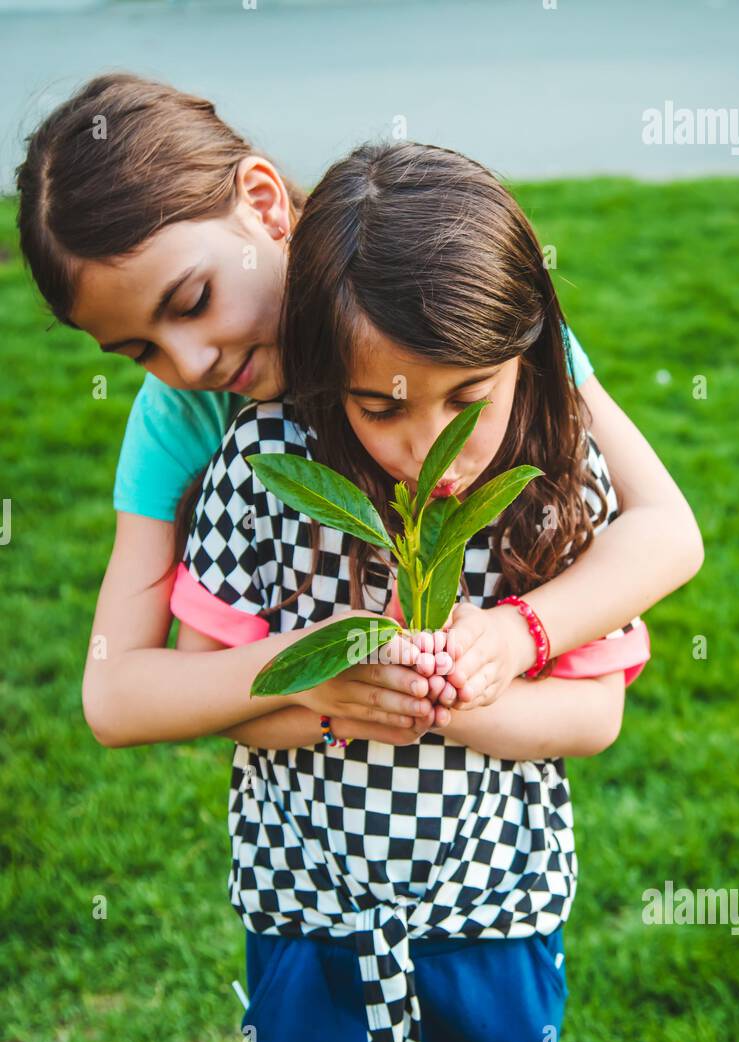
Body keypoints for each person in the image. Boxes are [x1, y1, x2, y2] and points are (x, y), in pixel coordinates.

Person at [168, 138, 700, 1042]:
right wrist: (317, 680)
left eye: (468, 399)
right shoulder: (263, 475)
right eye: (380, 406)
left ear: (525, 359)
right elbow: (224, 702)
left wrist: (472, 693)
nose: (429, 448)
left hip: (497, 924)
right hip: (319, 930)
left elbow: (592, 719)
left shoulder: (547, 480)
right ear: (318, 372)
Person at [15, 72, 703, 757]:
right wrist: (311, 675)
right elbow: (114, 695)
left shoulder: (444, 320)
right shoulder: (180, 414)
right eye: (140, 349)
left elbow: (667, 531)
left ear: (262, 204)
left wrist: (519, 635)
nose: (190, 365)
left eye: (192, 300)